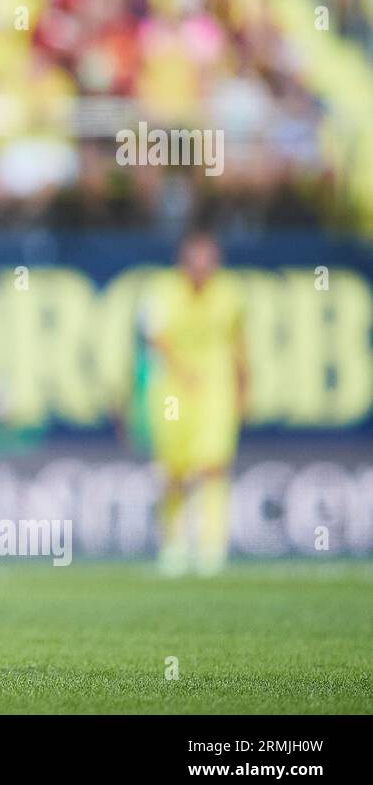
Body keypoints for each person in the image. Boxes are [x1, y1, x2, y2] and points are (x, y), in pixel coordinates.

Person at [144, 229, 248, 577]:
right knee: (174, 470)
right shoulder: (162, 290)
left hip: (214, 390)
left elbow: (238, 344)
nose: (202, 267)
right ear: (183, 261)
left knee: (213, 465)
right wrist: (182, 372)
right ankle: (173, 544)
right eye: (196, 259)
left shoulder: (230, 294)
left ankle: (211, 546)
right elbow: (154, 338)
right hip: (172, 392)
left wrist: (244, 386)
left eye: (209, 259)